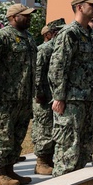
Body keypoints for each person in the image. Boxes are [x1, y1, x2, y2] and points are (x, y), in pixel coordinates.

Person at [49, 0, 93, 176]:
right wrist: (59, 96)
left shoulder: (89, 34)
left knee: (84, 148)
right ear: (80, 7)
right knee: (68, 149)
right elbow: (58, 66)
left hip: (87, 98)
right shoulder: (69, 33)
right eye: (92, 5)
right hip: (71, 99)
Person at [0, 4, 38, 185]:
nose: (29, 18)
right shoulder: (1, 37)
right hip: (4, 97)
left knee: (17, 136)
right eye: (25, 16)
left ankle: (9, 169)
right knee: (3, 136)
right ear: (14, 17)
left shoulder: (29, 38)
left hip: (23, 97)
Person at [32, 18, 65, 175]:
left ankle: (49, 158)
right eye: (58, 31)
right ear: (51, 34)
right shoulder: (45, 49)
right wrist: (38, 93)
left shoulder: (60, 48)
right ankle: (41, 162)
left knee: (54, 127)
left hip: (55, 95)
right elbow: (38, 73)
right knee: (44, 128)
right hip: (44, 96)